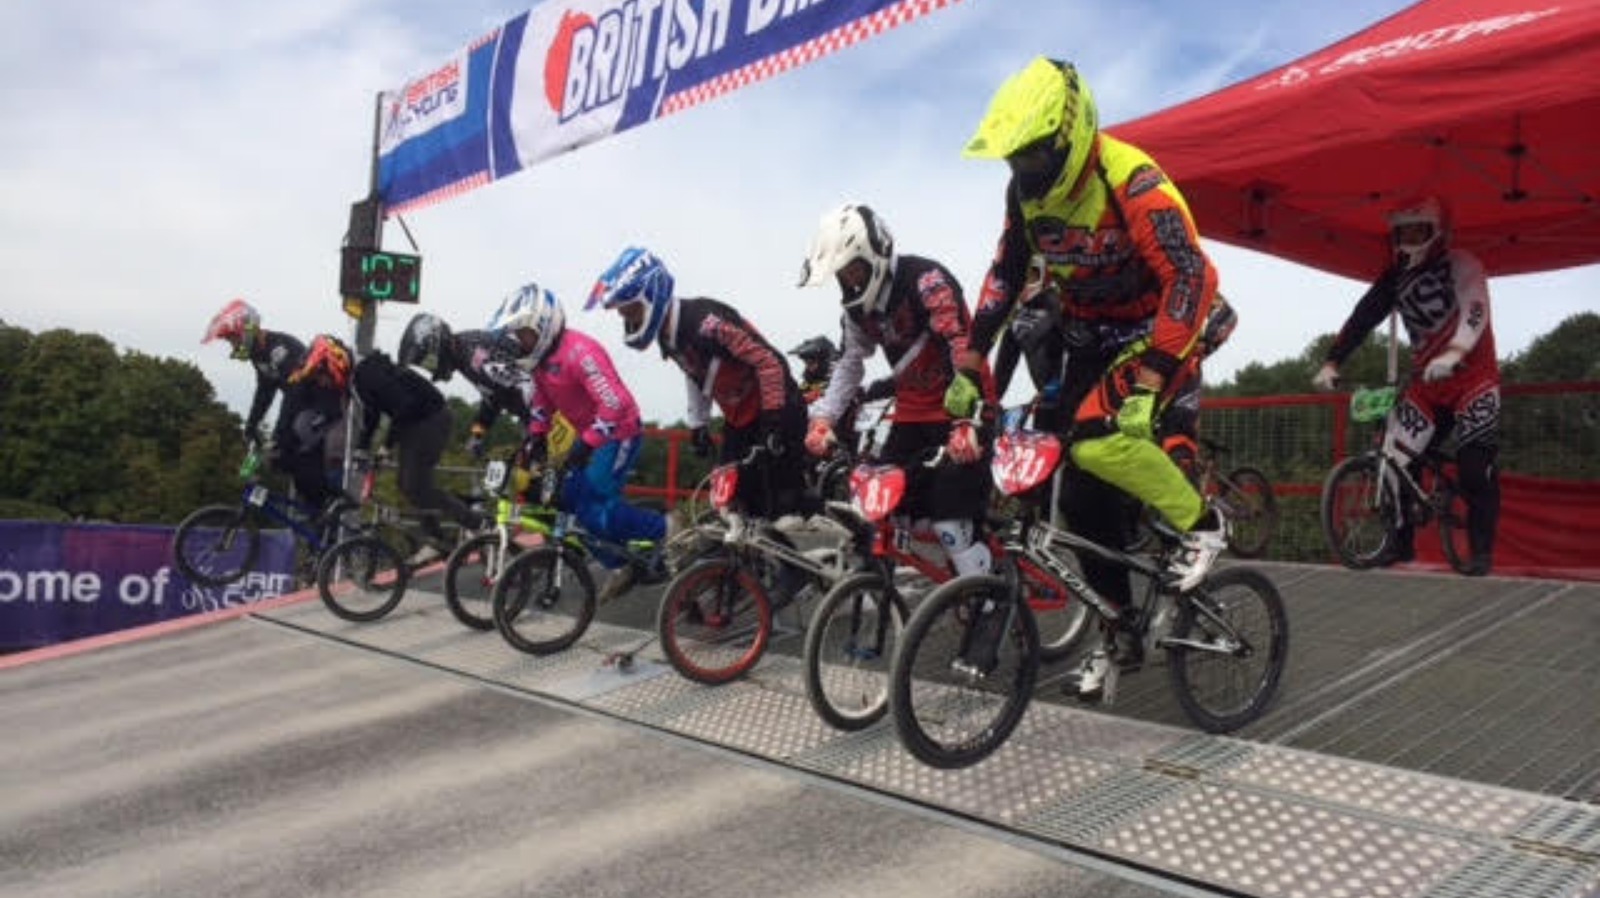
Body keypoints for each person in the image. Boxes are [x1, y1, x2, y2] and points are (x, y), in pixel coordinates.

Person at [956, 57, 1228, 700]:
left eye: (1035, 156)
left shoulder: (1131, 181)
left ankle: (1203, 524)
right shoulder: (1022, 194)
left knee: (1097, 439)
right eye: (1014, 159)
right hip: (1087, 336)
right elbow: (1005, 274)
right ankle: (1119, 632)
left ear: (1071, 132)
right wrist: (970, 361)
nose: (1025, 171)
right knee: (1077, 501)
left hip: (1155, 330)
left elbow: (1192, 280)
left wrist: (1152, 378)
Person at [798, 202, 996, 579]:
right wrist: (823, 419)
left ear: (875, 255)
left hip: (964, 412)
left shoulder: (925, 280)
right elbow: (850, 365)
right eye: (842, 275)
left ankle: (987, 602)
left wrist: (968, 421)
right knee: (886, 511)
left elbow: (960, 344)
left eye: (854, 269)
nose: (850, 281)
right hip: (910, 418)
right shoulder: (856, 313)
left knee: (948, 521)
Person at [1312, 196, 1500, 576]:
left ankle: (1480, 552)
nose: (1410, 239)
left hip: (1473, 379)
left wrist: (1455, 351)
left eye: (1418, 231)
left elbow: (1475, 308)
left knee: (1474, 470)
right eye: (1403, 232)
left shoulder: (1461, 263)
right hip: (1426, 384)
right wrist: (1332, 361)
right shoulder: (1394, 277)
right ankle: (1400, 545)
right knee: (1396, 457)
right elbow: (1362, 318)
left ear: (1437, 232)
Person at [589, 247, 811, 522]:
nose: (628, 319)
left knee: (783, 509)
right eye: (623, 314)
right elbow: (694, 371)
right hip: (740, 419)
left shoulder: (706, 323)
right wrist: (699, 423)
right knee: (732, 507)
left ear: (651, 296)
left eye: (630, 310)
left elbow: (769, 363)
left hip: (779, 408)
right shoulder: (668, 335)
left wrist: (774, 421)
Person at [488, 281, 669, 603]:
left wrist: (585, 444)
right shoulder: (541, 362)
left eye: (523, 334)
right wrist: (536, 437)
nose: (520, 343)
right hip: (592, 435)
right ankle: (621, 565)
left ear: (544, 324)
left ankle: (663, 527)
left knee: (594, 510)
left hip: (619, 432)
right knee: (566, 498)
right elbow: (543, 405)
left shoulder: (581, 353)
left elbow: (614, 404)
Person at [204, 300, 346, 515]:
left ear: (247, 331)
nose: (233, 346)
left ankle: (338, 504)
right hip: (303, 411)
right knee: (285, 462)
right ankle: (315, 514)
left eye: (233, 339)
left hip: (323, 408)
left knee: (295, 449)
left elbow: (294, 394)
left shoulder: (280, 349)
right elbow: (265, 391)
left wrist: (280, 434)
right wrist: (251, 425)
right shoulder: (259, 355)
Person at [397, 312, 532, 458]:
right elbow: (493, 397)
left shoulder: (474, 356)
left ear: (436, 346)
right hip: (539, 413)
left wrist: (533, 431)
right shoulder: (464, 353)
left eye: (427, 362)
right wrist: (477, 434)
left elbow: (525, 387)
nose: (430, 369)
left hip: (547, 409)